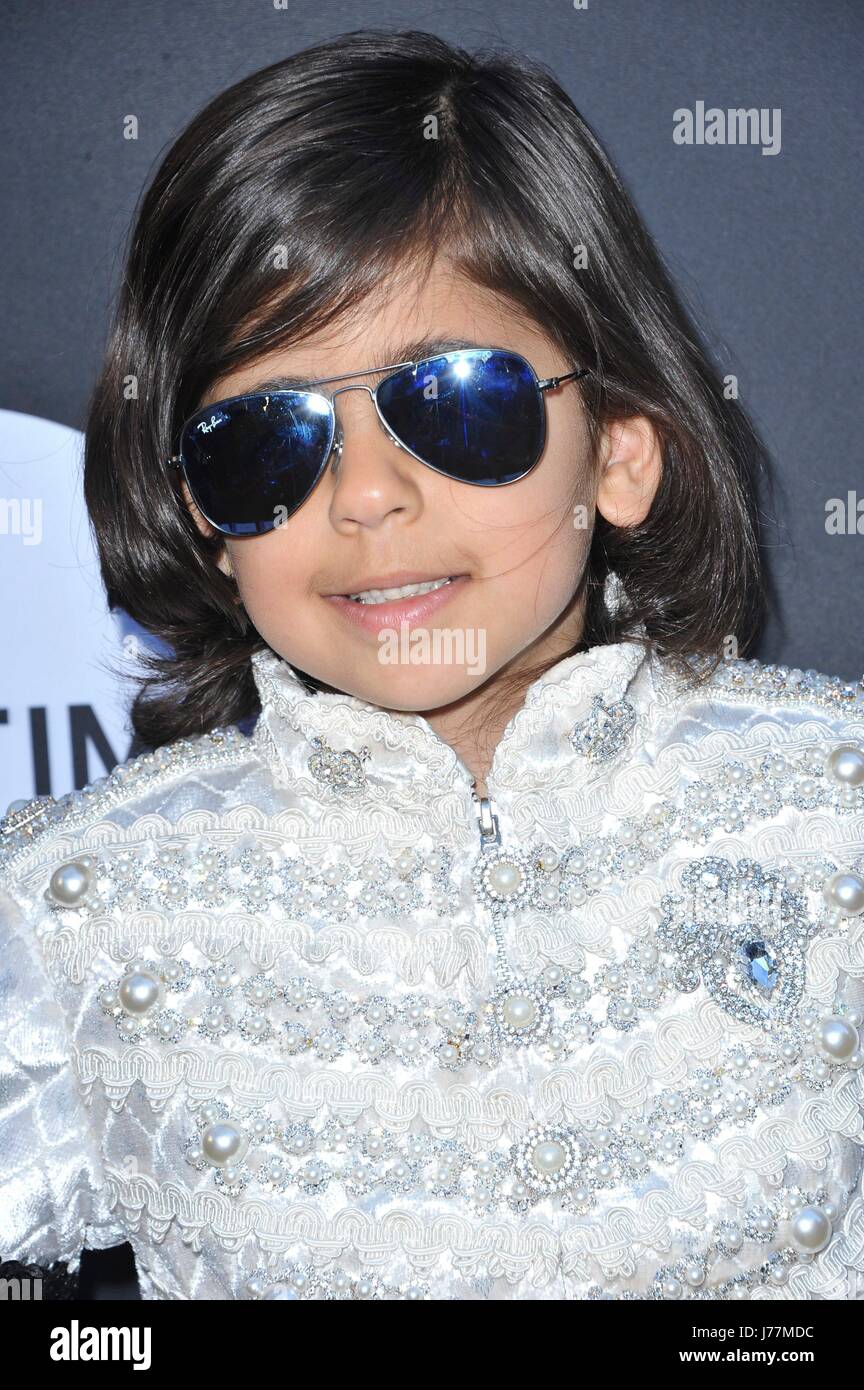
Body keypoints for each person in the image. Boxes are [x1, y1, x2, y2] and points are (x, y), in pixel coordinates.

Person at [1, 28, 863, 1302]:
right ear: (201, 515)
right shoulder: (73, 906)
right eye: (264, 441)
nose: (365, 496)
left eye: (456, 400)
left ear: (621, 451)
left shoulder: (836, 810)